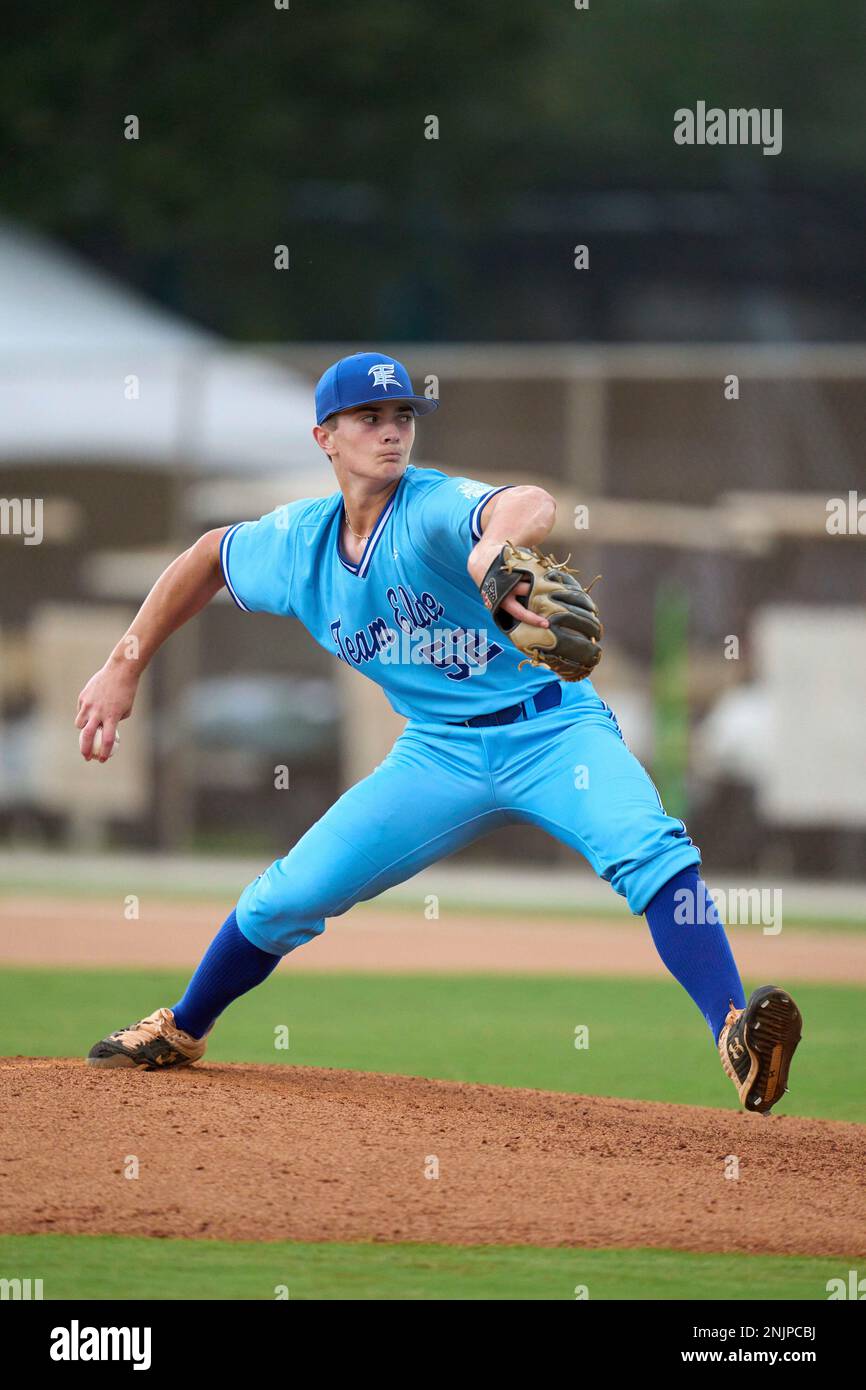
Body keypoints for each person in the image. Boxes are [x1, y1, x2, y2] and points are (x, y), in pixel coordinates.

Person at [77, 352, 802, 1112]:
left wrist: (493, 548)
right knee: (283, 898)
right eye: (369, 419)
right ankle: (183, 1028)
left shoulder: (427, 512)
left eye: (401, 417)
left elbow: (528, 501)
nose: (391, 433)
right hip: (440, 753)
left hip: (555, 732)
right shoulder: (299, 545)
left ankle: (735, 1036)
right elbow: (205, 561)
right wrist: (124, 665)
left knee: (652, 851)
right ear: (324, 436)